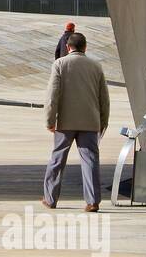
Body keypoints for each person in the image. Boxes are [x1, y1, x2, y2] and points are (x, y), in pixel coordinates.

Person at [41, 31, 110, 212]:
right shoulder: (96, 66)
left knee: (58, 159)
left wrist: (50, 119)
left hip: (65, 121)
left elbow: (52, 95)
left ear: (68, 47)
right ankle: (92, 201)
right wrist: (103, 121)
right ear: (85, 47)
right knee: (90, 160)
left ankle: (50, 198)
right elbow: (104, 97)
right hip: (90, 121)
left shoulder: (60, 64)